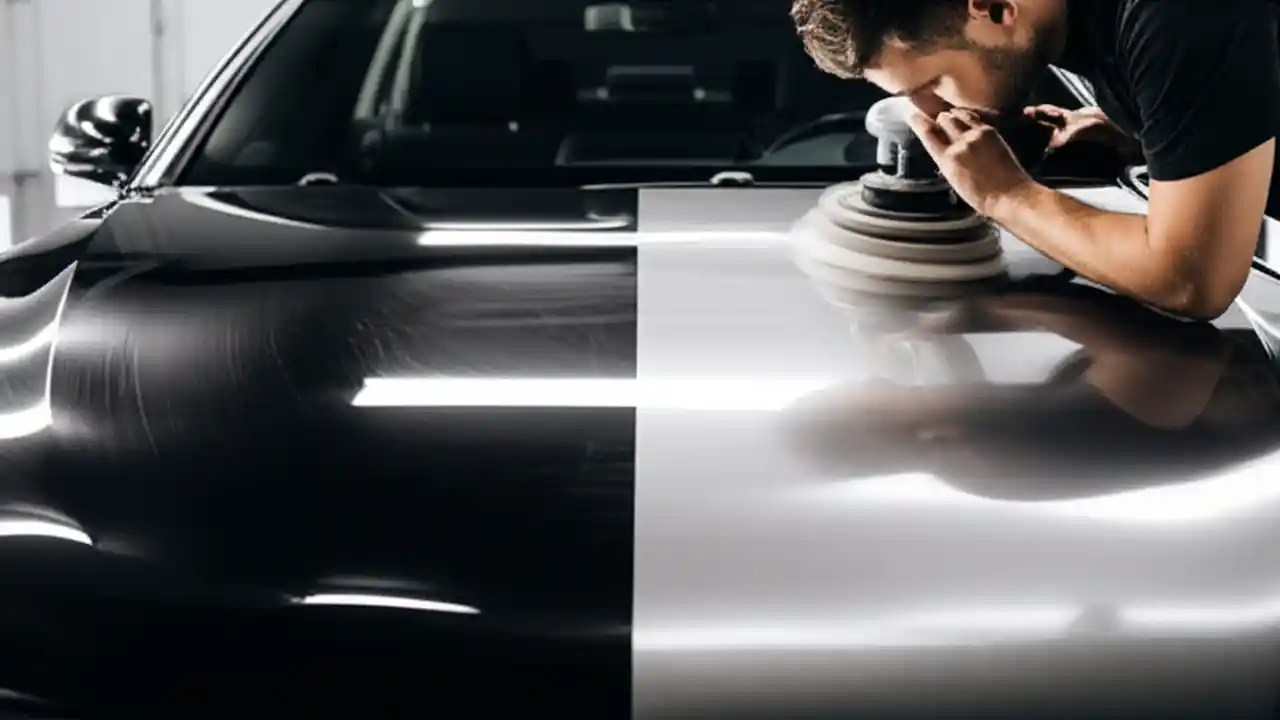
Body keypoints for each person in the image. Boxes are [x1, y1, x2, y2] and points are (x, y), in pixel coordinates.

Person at [790, 0, 1280, 319]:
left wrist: (1006, 195)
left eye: (933, 85)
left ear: (995, 8)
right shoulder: (1064, 27)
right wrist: (1147, 133)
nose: (931, 115)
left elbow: (1193, 281)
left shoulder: (1177, 14)